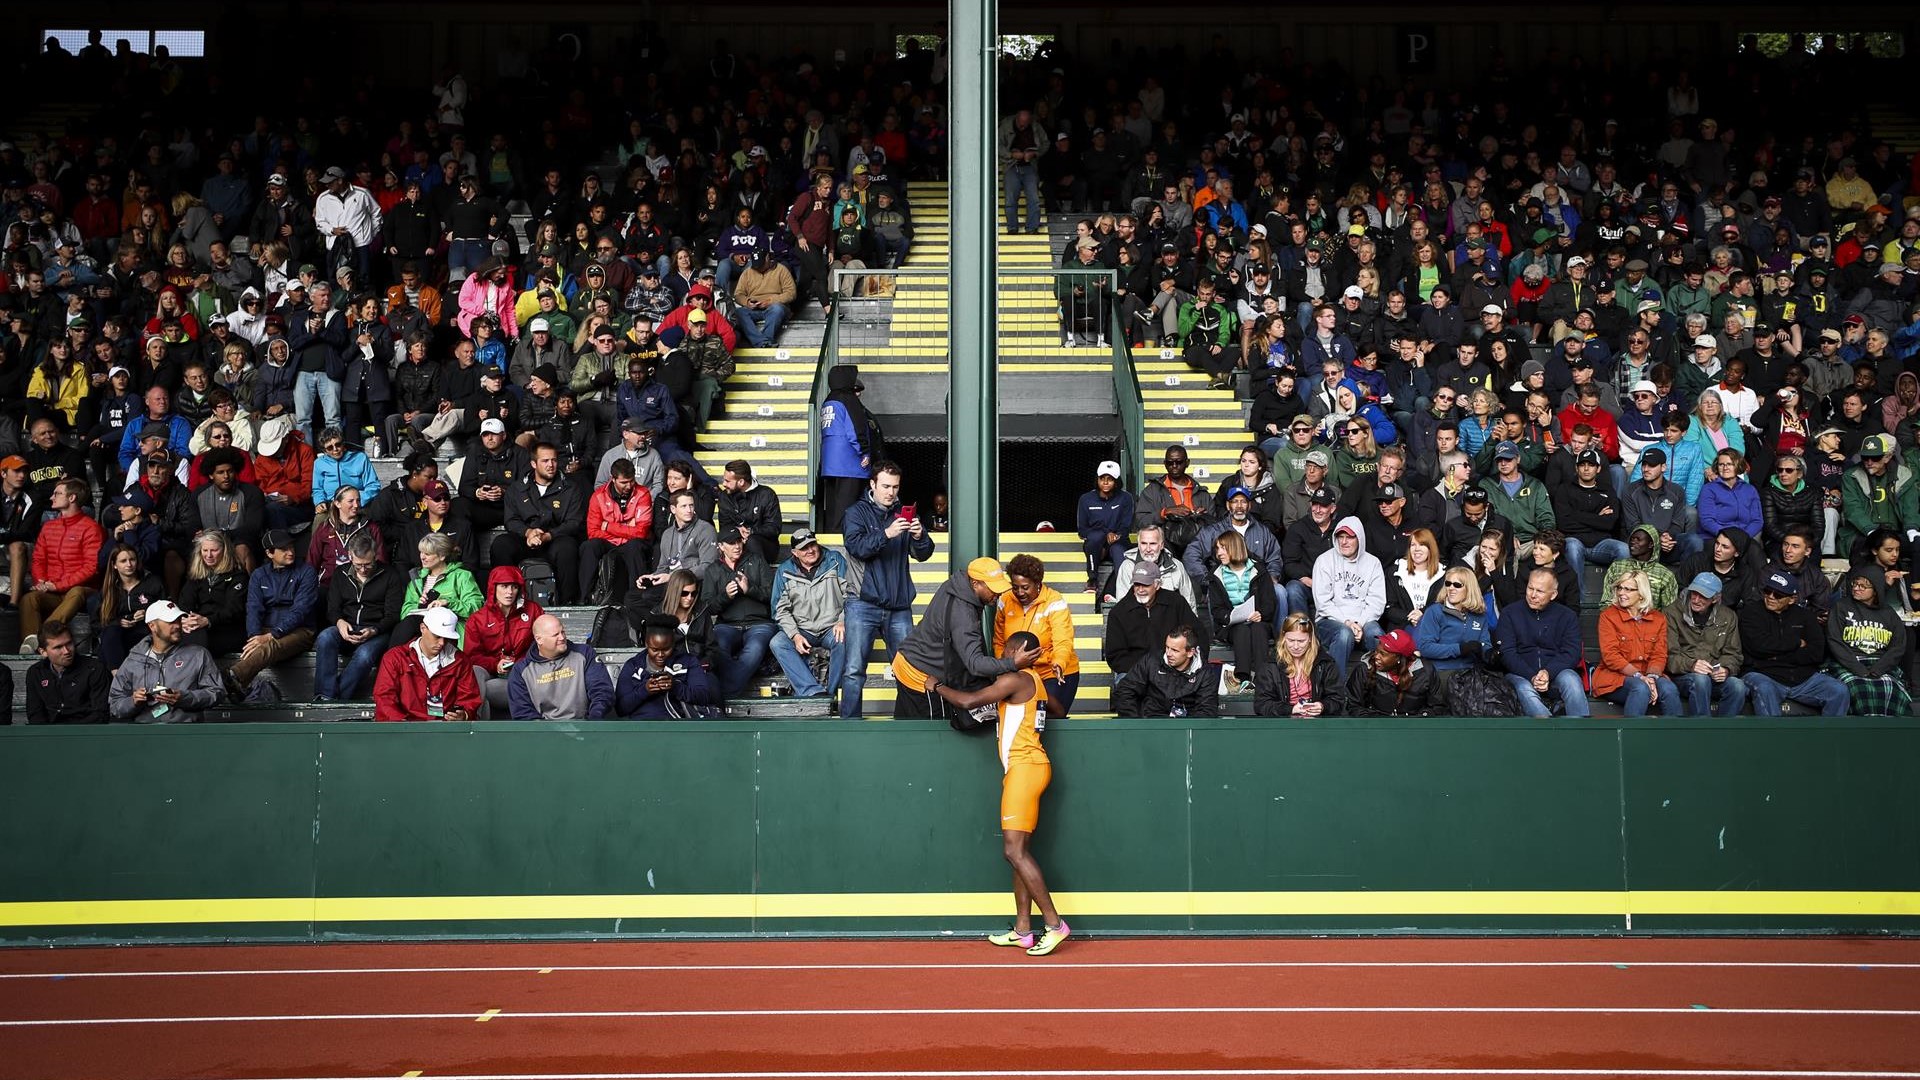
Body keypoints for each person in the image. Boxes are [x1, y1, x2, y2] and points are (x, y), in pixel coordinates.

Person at [924, 631, 1070, 957]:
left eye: (1006, 649)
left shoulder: (1016, 679)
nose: (1002, 655)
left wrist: (937, 686)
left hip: (1025, 769)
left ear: (1018, 651)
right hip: (1026, 768)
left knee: (1014, 852)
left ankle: (1055, 924)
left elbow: (967, 701)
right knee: (1019, 852)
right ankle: (1023, 930)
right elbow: (1056, 709)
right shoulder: (1034, 681)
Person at [840, 462, 935, 717]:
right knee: (853, 669)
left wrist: (919, 536)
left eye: (895, 487)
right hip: (862, 603)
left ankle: (907, 721)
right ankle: (849, 725)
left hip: (899, 606)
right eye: (885, 486)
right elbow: (857, 548)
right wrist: (887, 533)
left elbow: (923, 554)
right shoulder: (855, 513)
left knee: (909, 667)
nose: (890, 492)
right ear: (872, 484)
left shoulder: (905, 514)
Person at [893, 558, 1040, 719]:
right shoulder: (964, 616)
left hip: (907, 659)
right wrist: (1013, 663)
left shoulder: (957, 584)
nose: (997, 594)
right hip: (920, 674)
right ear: (975, 584)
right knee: (932, 734)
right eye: (992, 588)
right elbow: (975, 664)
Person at [1741, 566, 1851, 716]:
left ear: (1792, 599)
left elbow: (1816, 653)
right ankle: (1770, 739)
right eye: (1768, 591)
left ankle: (1828, 739)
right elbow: (1758, 647)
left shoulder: (1806, 616)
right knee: (1764, 687)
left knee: (1839, 691)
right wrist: (1796, 643)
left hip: (1803, 678)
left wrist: (1777, 656)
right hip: (1764, 674)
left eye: (1778, 594)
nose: (1771, 597)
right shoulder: (1751, 612)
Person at [229, 529, 320, 700]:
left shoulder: (306, 572)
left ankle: (233, 677)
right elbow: (254, 608)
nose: (290, 552)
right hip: (266, 628)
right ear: (269, 553)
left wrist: (272, 634)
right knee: (253, 646)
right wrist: (254, 637)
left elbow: (300, 610)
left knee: (270, 646)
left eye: (291, 547)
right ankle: (237, 687)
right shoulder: (259, 575)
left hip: (300, 629)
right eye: (283, 549)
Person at [313, 533, 404, 703]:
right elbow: (332, 609)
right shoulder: (340, 573)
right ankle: (325, 695)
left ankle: (336, 699)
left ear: (375, 556)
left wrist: (374, 629)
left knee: (365, 655)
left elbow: (393, 614)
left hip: (377, 630)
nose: (363, 569)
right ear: (350, 557)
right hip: (346, 626)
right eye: (358, 565)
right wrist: (340, 623)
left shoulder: (390, 575)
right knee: (325, 637)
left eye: (368, 564)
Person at [17, 478, 103, 653]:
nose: (51, 497)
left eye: (57, 493)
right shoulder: (49, 527)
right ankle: (34, 648)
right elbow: (38, 559)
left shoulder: (91, 528)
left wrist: (58, 585)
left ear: (72, 498)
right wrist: (41, 581)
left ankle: (44, 639)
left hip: (82, 591)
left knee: (76, 591)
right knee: (29, 598)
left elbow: (91, 567)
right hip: (53, 590)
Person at [769, 527, 853, 702]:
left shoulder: (835, 560)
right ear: (794, 552)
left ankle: (830, 694)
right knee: (777, 642)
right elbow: (779, 610)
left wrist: (843, 620)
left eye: (812, 544)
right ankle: (811, 691)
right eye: (804, 548)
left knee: (844, 639)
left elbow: (852, 594)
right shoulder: (784, 571)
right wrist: (795, 635)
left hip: (832, 626)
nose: (810, 550)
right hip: (803, 630)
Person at [108, 601, 228, 723]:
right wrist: (133, 701)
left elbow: (217, 693)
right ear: (152, 626)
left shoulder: (198, 654)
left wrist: (184, 698)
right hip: (145, 734)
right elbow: (115, 704)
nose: (177, 625)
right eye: (170, 621)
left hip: (186, 732)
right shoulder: (134, 659)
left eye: (178, 620)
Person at [1494, 567, 1590, 717]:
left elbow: (1572, 652)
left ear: (1553, 595)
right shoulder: (1510, 613)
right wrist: (1532, 676)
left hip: (1556, 672)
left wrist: (1548, 673)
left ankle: (1582, 734)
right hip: (1520, 673)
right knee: (1523, 688)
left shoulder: (1567, 616)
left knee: (1572, 680)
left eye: (1540, 591)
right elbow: (1507, 653)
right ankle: (1550, 733)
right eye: (1530, 588)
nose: (1532, 595)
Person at [994, 554, 1082, 715]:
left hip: (1053, 672)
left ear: (1038, 584)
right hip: (1020, 671)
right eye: (1015, 586)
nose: (1019, 592)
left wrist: (1059, 662)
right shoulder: (1005, 600)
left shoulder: (1054, 601)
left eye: (1025, 587)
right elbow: (999, 640)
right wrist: (1004, 665)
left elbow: (1063, 640)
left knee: (1047, 719)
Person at [1593, 570, 1682, 716]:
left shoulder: (1658, 618)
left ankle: (1676, 737)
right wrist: (1639, 677)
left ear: (1641, 593)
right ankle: (1632, 737)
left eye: (1628, 589)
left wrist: (1652, 678)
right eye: (1619, 588)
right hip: (1616, 678)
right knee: (1641, 688)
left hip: (1649, 675)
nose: (1621, 593)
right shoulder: (1608, 616)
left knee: (1669, 689)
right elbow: (1610, 655)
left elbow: (1659, 654)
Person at [1826, 567, 1913, 716]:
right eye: (1855, 584)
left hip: (1879, 664)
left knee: (1893, 690)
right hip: (1849, 663)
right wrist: (1858, 669)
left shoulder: (1889, 613)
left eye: (1863, 586)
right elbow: (1835, 641)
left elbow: (1898, 647)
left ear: (1876, 590)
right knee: (1857, 688)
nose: (1856, 588)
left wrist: (1878, 669)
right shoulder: (1841, 607)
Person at [372, 606, 482, 721]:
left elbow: (469, 699)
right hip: (404, 729)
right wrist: (401, 724)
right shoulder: (395, 658)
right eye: (437, 636)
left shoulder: (461, 661)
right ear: (423, 628)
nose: (442, 643)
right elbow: (384, 697)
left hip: (445, 730)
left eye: (446, 637)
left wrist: (464, 715)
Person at [1664, 572, 1749, 717]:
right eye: (1694, 593)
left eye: (1703, 596)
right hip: (1683, 675)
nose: (1696, 600)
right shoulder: (1671, 613)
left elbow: (1733, 654)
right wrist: (1691, 665)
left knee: (1737, 686)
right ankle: (1702, 732)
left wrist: (1726, 669)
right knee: (1700, 680)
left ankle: (1725, 733)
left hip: (1713, 675)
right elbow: (1668, 655)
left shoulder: (1728, 616)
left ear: (1716, 598)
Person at [1310, 517, 1386, 676]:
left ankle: (1380, 685)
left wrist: (1359, 623)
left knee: (1376, 634)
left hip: (1363, 621)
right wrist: (1348, 623)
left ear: (1359, 538)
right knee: (1344, 634)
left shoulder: (1373, 563)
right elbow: (1323, 602)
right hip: (1329, 621)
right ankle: (1337, 691)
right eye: (1340, 537)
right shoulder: (1324, 561)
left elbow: (1377, 602)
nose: (1344, 542)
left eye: (1349, 537)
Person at [704, 531, 777, 696]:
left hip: (759, 623)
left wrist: (749, 589)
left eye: (738, 541)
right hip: (726, 625)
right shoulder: (713, 569)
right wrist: (725, 596)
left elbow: (773, 595)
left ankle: (726, 694)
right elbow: (708, 607)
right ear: (721, 546)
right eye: (731, 543)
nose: (737, 546)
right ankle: (732, 689)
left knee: (755, 648)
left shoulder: (756, 561)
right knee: (718, 647)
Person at [1205, 530, 1279, 694]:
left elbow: (1269, 601)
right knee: (1242, 629)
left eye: (1223, 548)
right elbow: (1217, 609)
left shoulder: (1259, 570)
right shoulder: (1216, 575)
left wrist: (1261, 614)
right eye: (1217, 549)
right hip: (1231, 626)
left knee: (1259, 629)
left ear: (1234, 547)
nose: (1219, 553)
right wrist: (1230, 616)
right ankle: (1244, 678)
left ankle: (1263, 678)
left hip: (1258, 620)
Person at [465, 565, 543, 716]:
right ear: (493, 588)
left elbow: (541, 646)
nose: (509, 592)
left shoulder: (534, 610)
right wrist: (496, 664)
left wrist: (519, 663)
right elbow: (472, 656)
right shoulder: (478, 619)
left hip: (525, 672)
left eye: (514, 587)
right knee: (475, 672)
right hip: (490, 673)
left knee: (487, 689)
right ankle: (474, 727)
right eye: (504, 586)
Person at [507, 613, 617, 720]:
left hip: (584, 727)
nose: (562, 637)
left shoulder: (585, 654)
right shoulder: (521, 671)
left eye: (563, 632)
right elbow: (522, 712)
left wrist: (592, 722)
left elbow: (602, 692)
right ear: (539, 639)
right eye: (555, 635)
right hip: (544, 732)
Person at [615, 614, 722, 718]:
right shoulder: (633, 665)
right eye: (655, 650)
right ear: (647, 644)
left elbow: (703, 697)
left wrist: (675, 686)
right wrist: (645, 690)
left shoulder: (688, 661)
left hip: (678, 726)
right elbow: (621, 708)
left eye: (666, 649)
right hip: (643, 727)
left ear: (673, 644)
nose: (660, 655)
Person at [580, 458, 654, 605]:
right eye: (624, 482)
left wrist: (608, 526)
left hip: (633, 543)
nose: (629, 485)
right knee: (590, 546)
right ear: (613, 479)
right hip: (609, 542)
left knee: (634, 546)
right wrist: (627, 528)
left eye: (631, 481)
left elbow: (641, 532)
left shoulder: (643, 494)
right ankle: (585, 598)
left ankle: (638, 598)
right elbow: (593, 532)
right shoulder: (598, 496)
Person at [397, 533, 485, 644]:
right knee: (407, 624)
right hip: (421, 629)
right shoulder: (417, 579)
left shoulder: (462, 576)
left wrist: (448, 603)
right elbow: (404, 612)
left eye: (427, 554)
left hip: (451, 630)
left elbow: (476, 607)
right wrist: (420, 606)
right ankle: (392, 659)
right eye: (421, 552)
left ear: (442, 556)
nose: (422, 557)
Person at [1112, 626, 1219, 717]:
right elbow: (1125, 690)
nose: (1168, 653)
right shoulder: (1151, 661)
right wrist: (1136, 722)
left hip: (1186, 728)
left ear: (1190, 652)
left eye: (1175, 650)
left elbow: (1207, 710)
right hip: (1151, 724)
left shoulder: (1205, 674)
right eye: (1167, 647)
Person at [1253, 612, 1346, 718]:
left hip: (1317, 724)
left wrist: (1322, 706)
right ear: (1283, 637)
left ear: (1310, 638)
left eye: (1301, 641)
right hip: (1282, 724)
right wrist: (1290, 709)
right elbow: (1261, 704)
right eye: (1291, 640)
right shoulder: (1271, 665)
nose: (1296, 646)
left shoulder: (1325, 663)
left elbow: (1337, 700)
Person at [175, 528, 250, 657]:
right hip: (197, 628)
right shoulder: (196, 576)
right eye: (205, 550)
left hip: (227, 630)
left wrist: (207, 620)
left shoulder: (238, 576)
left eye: (214, 550)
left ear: (225, 551)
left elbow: (234, 610)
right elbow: (185, 604)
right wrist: (186, 620)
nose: (208, 555)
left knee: (196, 639)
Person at [816, 365, 873, 531]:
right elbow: (855, 429)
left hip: (830, 464)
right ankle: (844, 541)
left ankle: (832, 535)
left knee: (834, 507)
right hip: (849, 463)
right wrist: (864, 452)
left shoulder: (828, 400)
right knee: (848, 507)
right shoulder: (848, 399)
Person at [24, 620, 111, 724]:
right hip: (49, 735)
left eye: (69, 643)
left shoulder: (94, 668)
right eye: (58, 647)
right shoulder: (35, 673)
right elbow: (35, 714)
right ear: (43, 652)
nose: (66, 651)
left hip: (87, 733)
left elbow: (100, 714)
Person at [1343, 627, 1435, 717]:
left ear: (1399, 659)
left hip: (1414, 728)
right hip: (1374, 727)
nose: (1376, 656)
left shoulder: (1425, 671)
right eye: (1377, 651)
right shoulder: (1364, 669)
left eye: (1383, 654)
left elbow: (1437, 707)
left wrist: (1418, 719)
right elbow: (1353, 706)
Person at [1076, 460, 1134, 593]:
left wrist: (1115, 536)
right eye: (1102, 478)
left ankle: (1123, 590)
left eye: (1110, 479)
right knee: (1095, 538)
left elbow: (1126, 526)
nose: (1105, 482)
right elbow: (1082, 530)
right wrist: (1105, 534)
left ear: (1117, 481)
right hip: (1096, 544)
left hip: (1117, 541)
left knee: (1118, 550)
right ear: (1097, 479)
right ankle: (1092, 581)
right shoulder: (1086, 499)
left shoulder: (1125, 498)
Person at [716, 460, 784, 566]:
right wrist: (738, 530)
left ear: (741, 482)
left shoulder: (766, 494)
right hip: (736, 542)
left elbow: (774, 528)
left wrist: (751, 531)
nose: (724, 484)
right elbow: (724, 527)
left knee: (751, 541)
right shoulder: (724, 497)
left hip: (765, 546)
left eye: (728, 481)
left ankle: (760, 577)